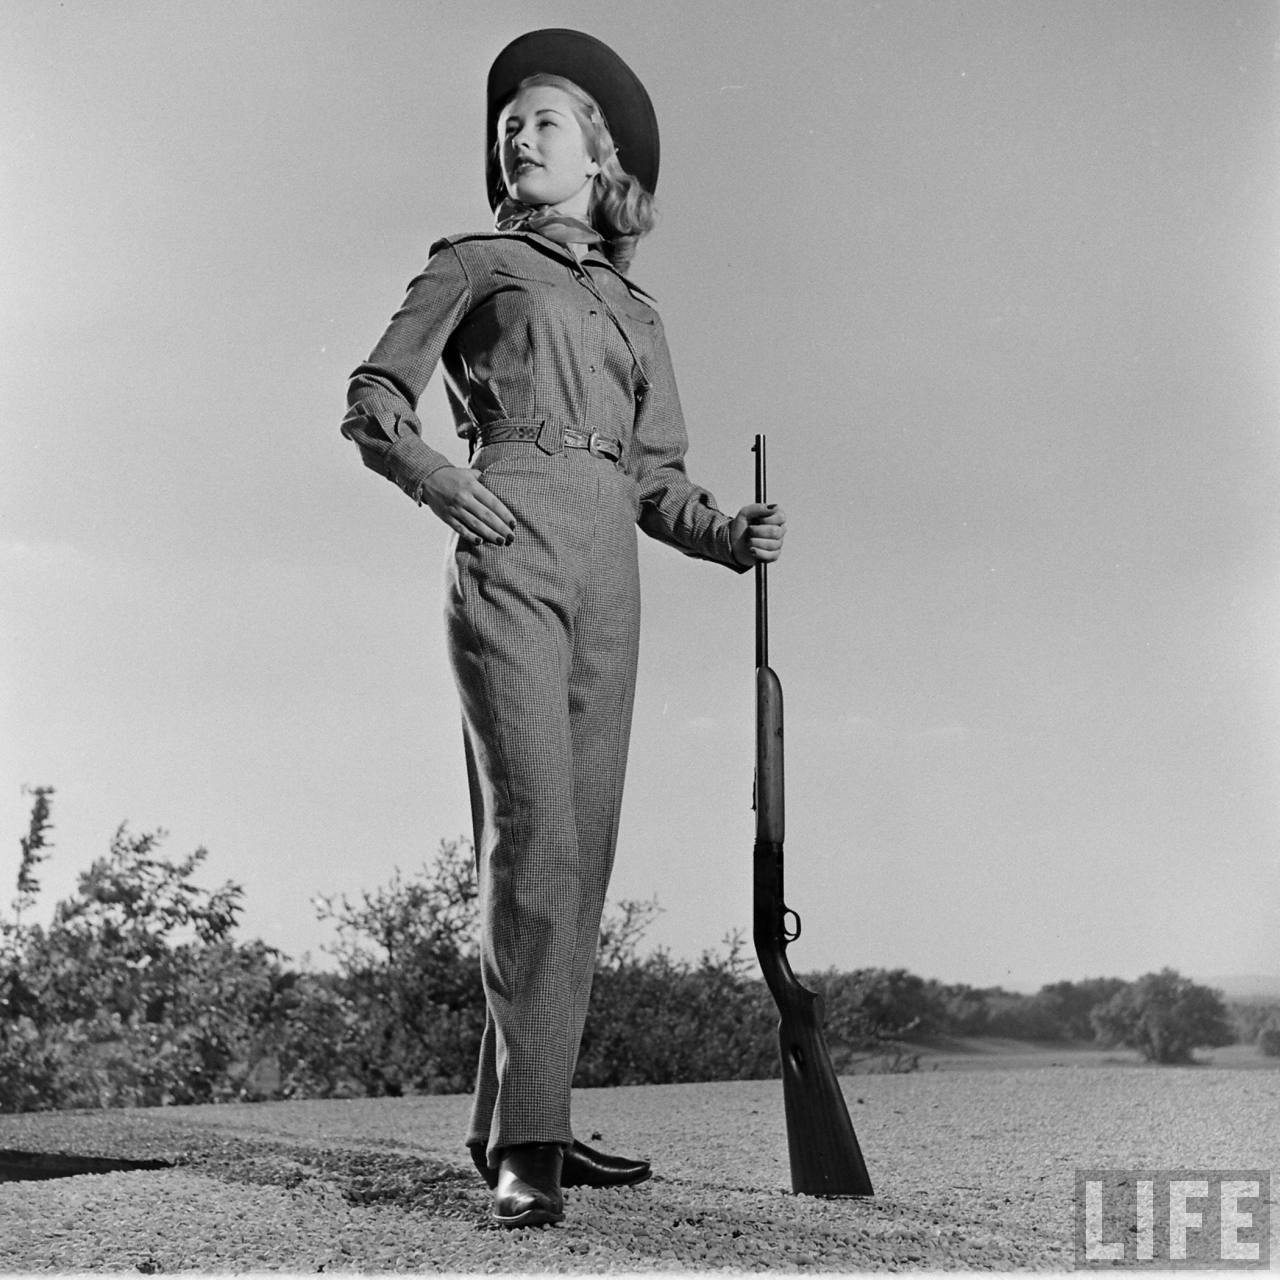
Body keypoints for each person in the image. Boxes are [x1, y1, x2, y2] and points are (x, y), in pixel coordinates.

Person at [340, 29, 786, 1228]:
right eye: (509, 125)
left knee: (576, 858)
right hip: (510, 540)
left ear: (598, 160)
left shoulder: (640, 313)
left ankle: (517, 1111)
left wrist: (728, 531)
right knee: (533, 837)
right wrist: (437, 478)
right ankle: (524, 1144)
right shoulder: (475, 260)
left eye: (543, 121)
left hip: (611, 579)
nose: (517, 135)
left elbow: (658, 484)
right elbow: (374, 398)